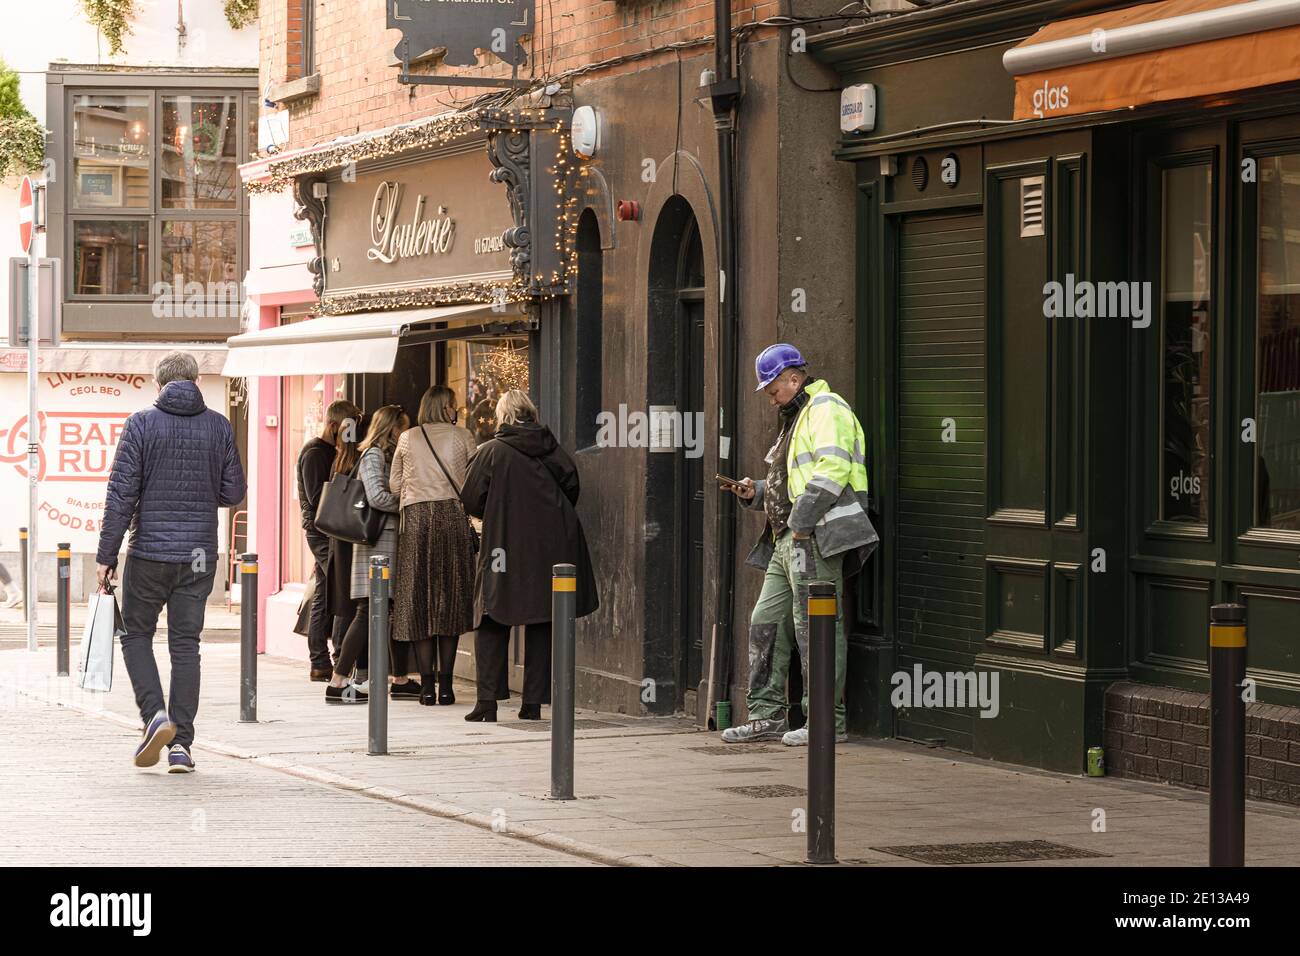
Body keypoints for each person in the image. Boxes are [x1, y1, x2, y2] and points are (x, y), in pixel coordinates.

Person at [96, 352, 247, 772]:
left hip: (149, 553)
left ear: (157, 384)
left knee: (136, 635)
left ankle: (154, 717)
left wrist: (106, 557)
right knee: (186, 645)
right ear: (196, 380)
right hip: (199, 553)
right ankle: (181, 746)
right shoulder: (219, 425)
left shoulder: (141, 423)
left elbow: (121, 496)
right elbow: (233, 493)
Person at [719, 344, 876, 747]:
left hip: (814, 536)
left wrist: (802, 523)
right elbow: (793, 480)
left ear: (794, 377)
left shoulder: (826, 409)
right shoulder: (799, 416)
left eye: (773, 389)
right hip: (786, 539)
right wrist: (754, 491)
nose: (770, 398)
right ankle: (766, 715)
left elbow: (833, 468)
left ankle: (826, 720)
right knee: (766, 623)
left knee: (817, 629)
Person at [460, 390, 597, 721]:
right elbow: (572, 487)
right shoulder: (552, 447)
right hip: (551, 544)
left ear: (502, 416)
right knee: (541, 618)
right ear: (530, 414)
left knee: (491, 617)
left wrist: (499, 510)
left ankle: (487, 703)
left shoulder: (491, 452)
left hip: (503, 545)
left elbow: (470, 498)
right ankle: (532, 704)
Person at [390, 386, 478, 706]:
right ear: (446, 408)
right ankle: (447, 687)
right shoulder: (463, 437)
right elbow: (474, 481)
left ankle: (426, 687)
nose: (457, 410)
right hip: (452, 517)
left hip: (415, 520)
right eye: (454, 406)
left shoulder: (407, 438)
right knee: (450, 599)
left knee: (419, 598)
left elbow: (395, 485)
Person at [326, 405, 415, 703]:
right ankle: (337, 681)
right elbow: (376, 497)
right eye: (402, 428)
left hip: (386, 542)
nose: (405, 433)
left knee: (389, 611)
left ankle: (399, 678)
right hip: (378, 544)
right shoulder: (374, 454)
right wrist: (408, 500)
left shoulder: (386, 455)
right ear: (391, 429)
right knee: (367, 611)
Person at [297, 399, 361, 681]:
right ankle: (329, 658)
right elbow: (315, 497)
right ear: (333, 425)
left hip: (327, 531)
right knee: (336, 589)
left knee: (325, 591)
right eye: (346, 428)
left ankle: (322, 661)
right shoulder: (315, 452)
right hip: (321, 532)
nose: (350, 434)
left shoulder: (327, 450)